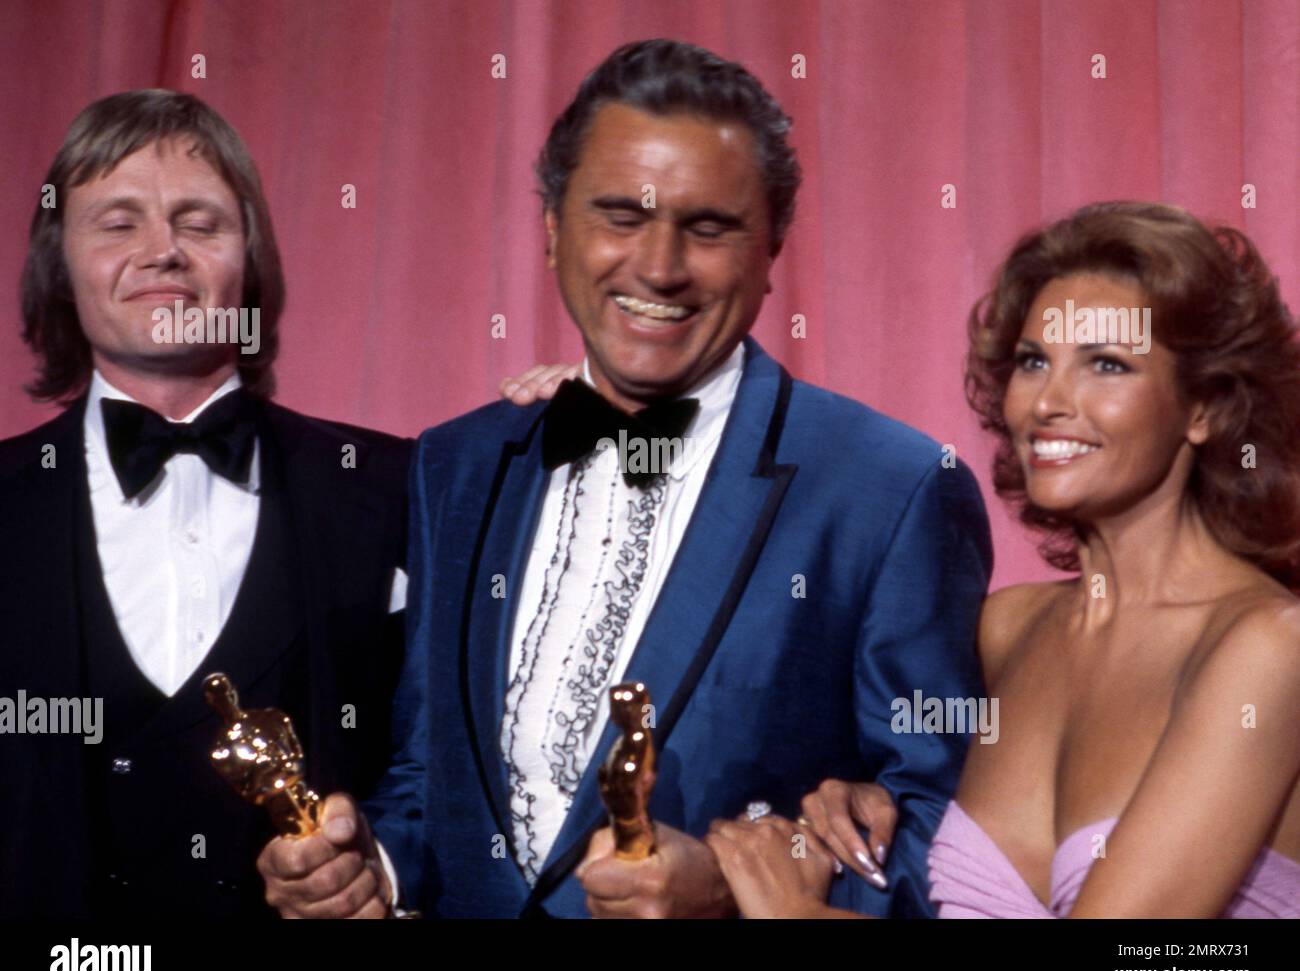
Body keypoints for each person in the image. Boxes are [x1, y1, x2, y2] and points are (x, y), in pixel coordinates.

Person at [255, 38, 992, 919]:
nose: (659, 267)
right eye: (620, 216)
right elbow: (430, 772)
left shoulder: (892, 489)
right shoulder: (456, 463)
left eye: (708, 227)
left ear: (773, 251)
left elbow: (947, 845)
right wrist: (370, 866)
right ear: (553, 228)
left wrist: (731, 891)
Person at [0, 89, 560, 919]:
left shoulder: (403, 486)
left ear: (251, 261)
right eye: (118, 223)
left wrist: (581, 430)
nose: (162, 252)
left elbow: (466, 756)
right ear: (59, 262)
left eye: (200, 223)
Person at [706, 202, 1300, 918]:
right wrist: (870, 803)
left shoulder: (1269, 647)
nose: (1049, 400)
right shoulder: (1004, 631)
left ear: (1203, 407)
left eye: (1106, 364)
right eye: (1033, 361)